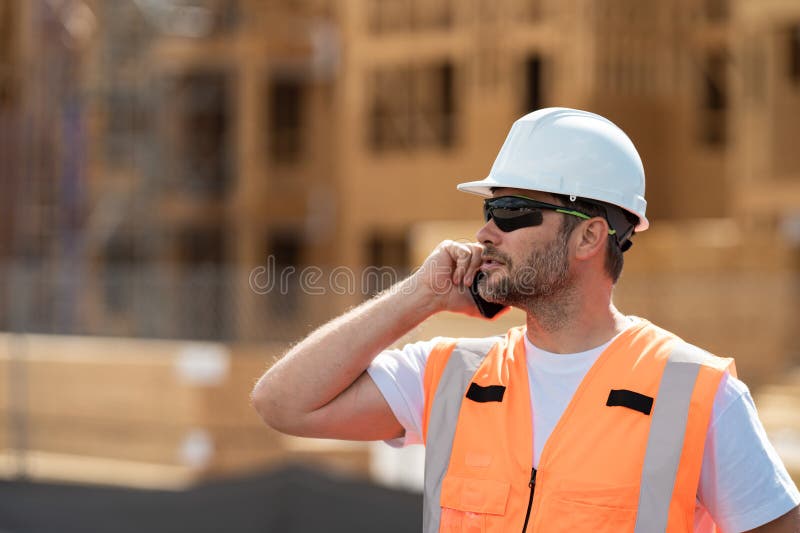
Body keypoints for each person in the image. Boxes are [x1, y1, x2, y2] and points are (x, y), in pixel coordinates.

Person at [251, 108, 800, 532]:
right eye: (488, 211)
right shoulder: (451, 377)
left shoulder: (696, 393)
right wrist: (418, 297)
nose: (485, 232)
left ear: (589, 236)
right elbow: (282, 403)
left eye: (512, 211)